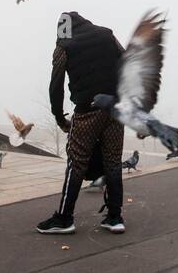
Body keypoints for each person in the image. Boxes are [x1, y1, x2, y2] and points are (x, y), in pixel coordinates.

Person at [36, 12, 126, 235]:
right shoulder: (107, 35)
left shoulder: (64, 45)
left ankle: (65, 218)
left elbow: (56, 84)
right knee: (113, 161)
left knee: (76, 162)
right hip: (115, 108)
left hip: (87, 111)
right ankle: (115, 217)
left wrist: (59, 116)